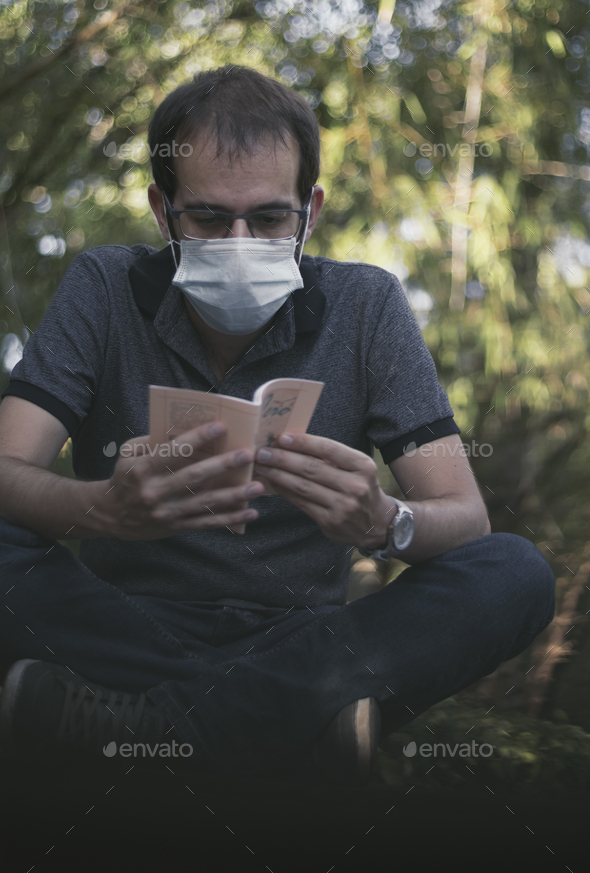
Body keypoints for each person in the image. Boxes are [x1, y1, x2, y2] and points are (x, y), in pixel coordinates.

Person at [0, 66, 555, 786]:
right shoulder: (105, 286)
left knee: (515, 571)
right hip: (122, 622)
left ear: (311, 210)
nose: (239, 241)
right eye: (206, 218)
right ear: (162, 212)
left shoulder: (366, 305)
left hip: (304, 634)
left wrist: (386, 520)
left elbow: (465, 517)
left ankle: (149, 725)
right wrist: (101, 508)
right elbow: (8, 472)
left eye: (267, 219)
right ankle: (287, 717)